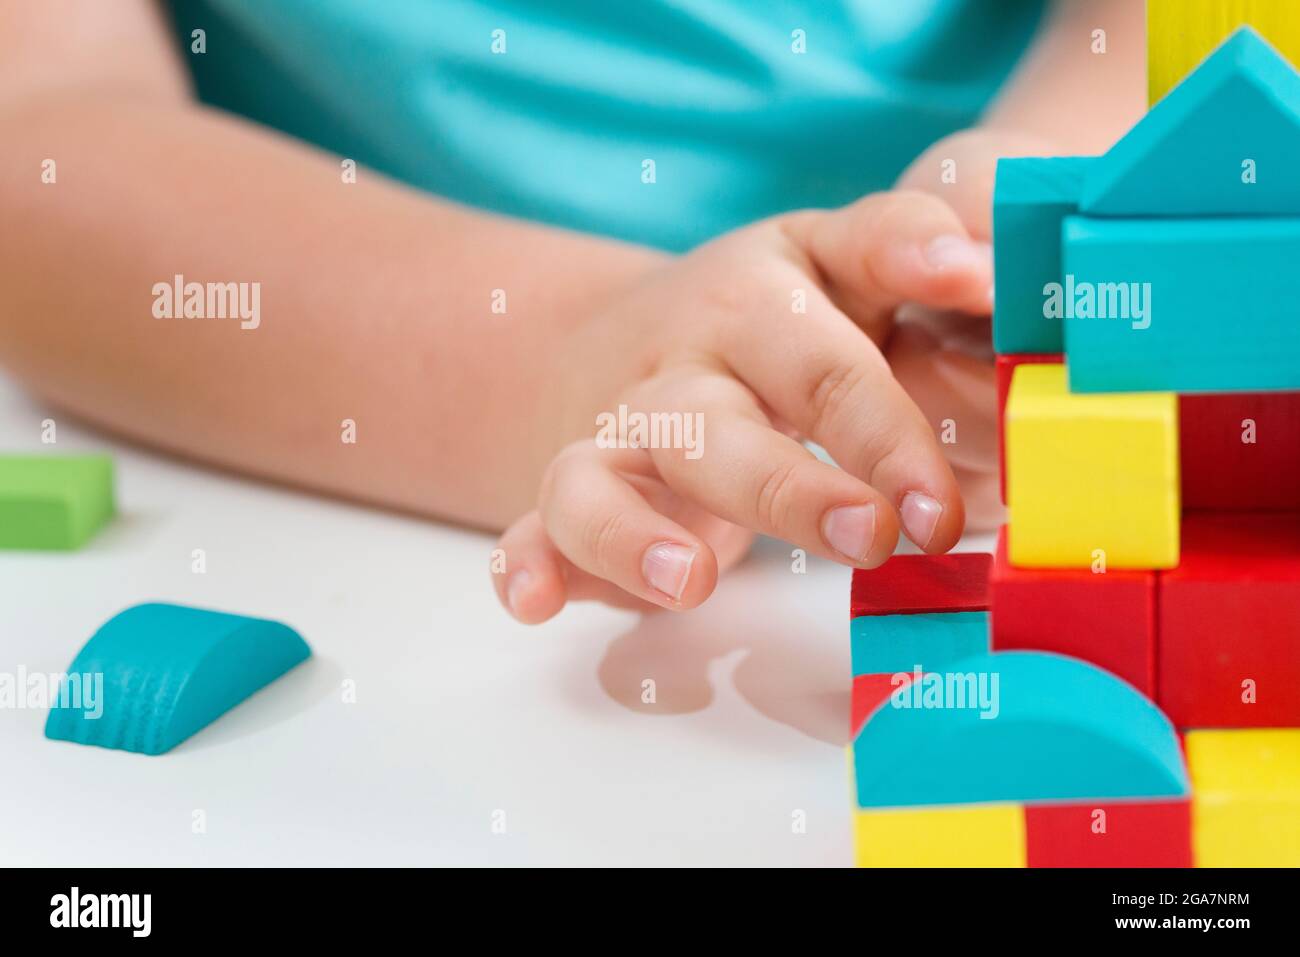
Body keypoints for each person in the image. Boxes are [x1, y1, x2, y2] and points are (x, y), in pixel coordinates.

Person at [0, 1, 1144, 622]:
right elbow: (43, 146)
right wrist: (580, 355)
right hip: (406, 364)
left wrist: (1031, 207)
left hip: (954, 272)